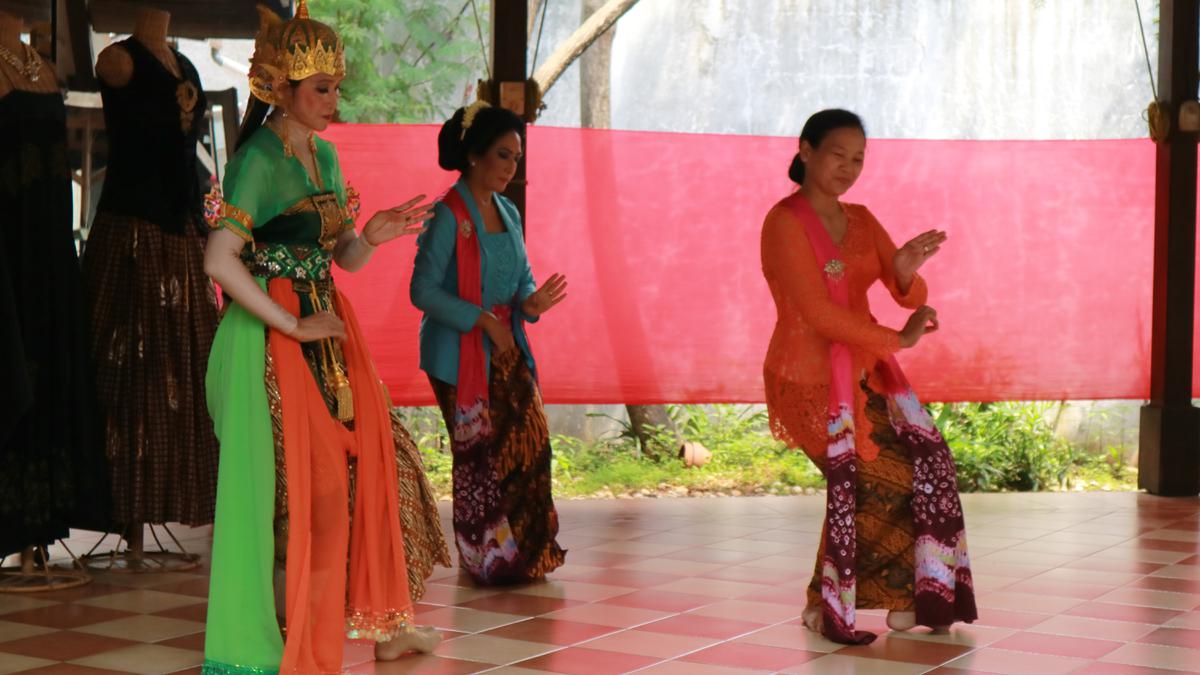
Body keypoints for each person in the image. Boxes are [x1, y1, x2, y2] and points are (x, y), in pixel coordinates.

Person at [200, 3, 447, 672]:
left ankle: (385, 624)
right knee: (307, 494)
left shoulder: (328, 157)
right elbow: (219, 259)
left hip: (329, 328)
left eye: (337, 86)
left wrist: (373, 235)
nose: (334, 101)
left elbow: (342, 256)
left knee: (377, 465)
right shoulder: (257, 159)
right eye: (321, 90)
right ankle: (287, 637)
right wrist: (289, 323)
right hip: (274, 334)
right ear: (280, 87)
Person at [761, 109, 977, 644]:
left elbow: (905, 291)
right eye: (838, 154)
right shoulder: (783, 222)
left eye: (858, 158)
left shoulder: (860, 218)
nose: (849, 167)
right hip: (806, 380)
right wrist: (897, 339)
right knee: (875, 482)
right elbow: (815, 313)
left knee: (930, 466)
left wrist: (903, 271)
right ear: (806, 151)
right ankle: (854, 598)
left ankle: (902, 595)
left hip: (865, 373)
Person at [411, 101, 568, 585]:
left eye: (516, 158)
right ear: (475, 156)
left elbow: (520, 278)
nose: (511, 167)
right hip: (460, 356)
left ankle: (530, 553)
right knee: (483, 458)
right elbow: (423, 291)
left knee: (530, 447)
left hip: (507, 347)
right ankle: (489, 560)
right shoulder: (448, 216)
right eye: (503, 155)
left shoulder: (507, 211)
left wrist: (532, 303)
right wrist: (480, 319)